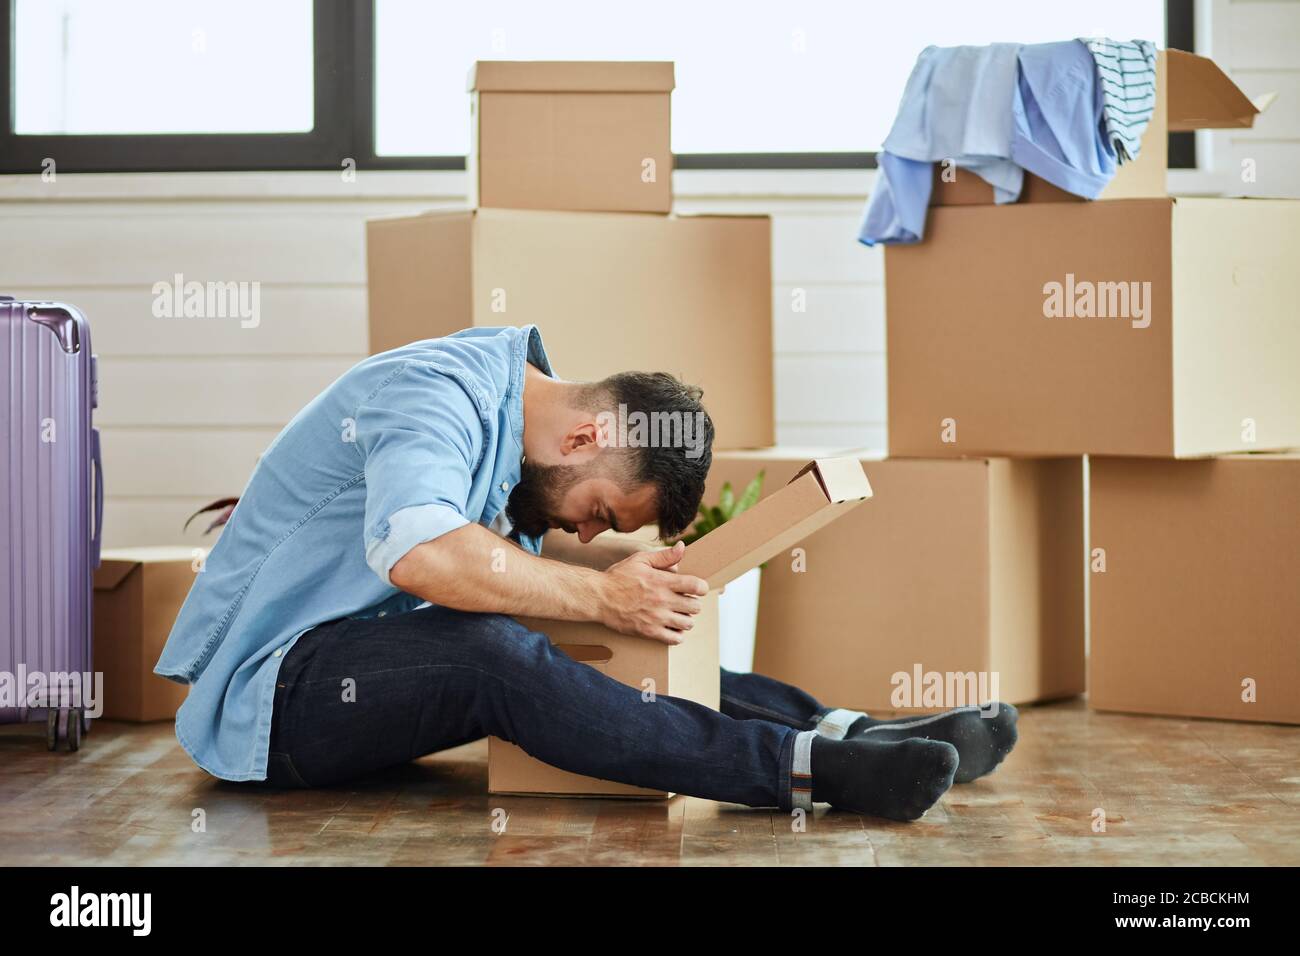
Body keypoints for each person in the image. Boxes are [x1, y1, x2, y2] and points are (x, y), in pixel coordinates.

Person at [155, 325, 1017, 820]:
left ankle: (847, 730)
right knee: (493, 650)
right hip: (273, 704)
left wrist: (640, 587)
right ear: (581, 441)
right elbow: (423, 555)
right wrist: (602, 589)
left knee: (581, 632)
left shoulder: (517, 435)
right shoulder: (434, 397)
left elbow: (520, 570)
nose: (584, 529)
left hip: (362, 662)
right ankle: (804, 772)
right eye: (602, 513)